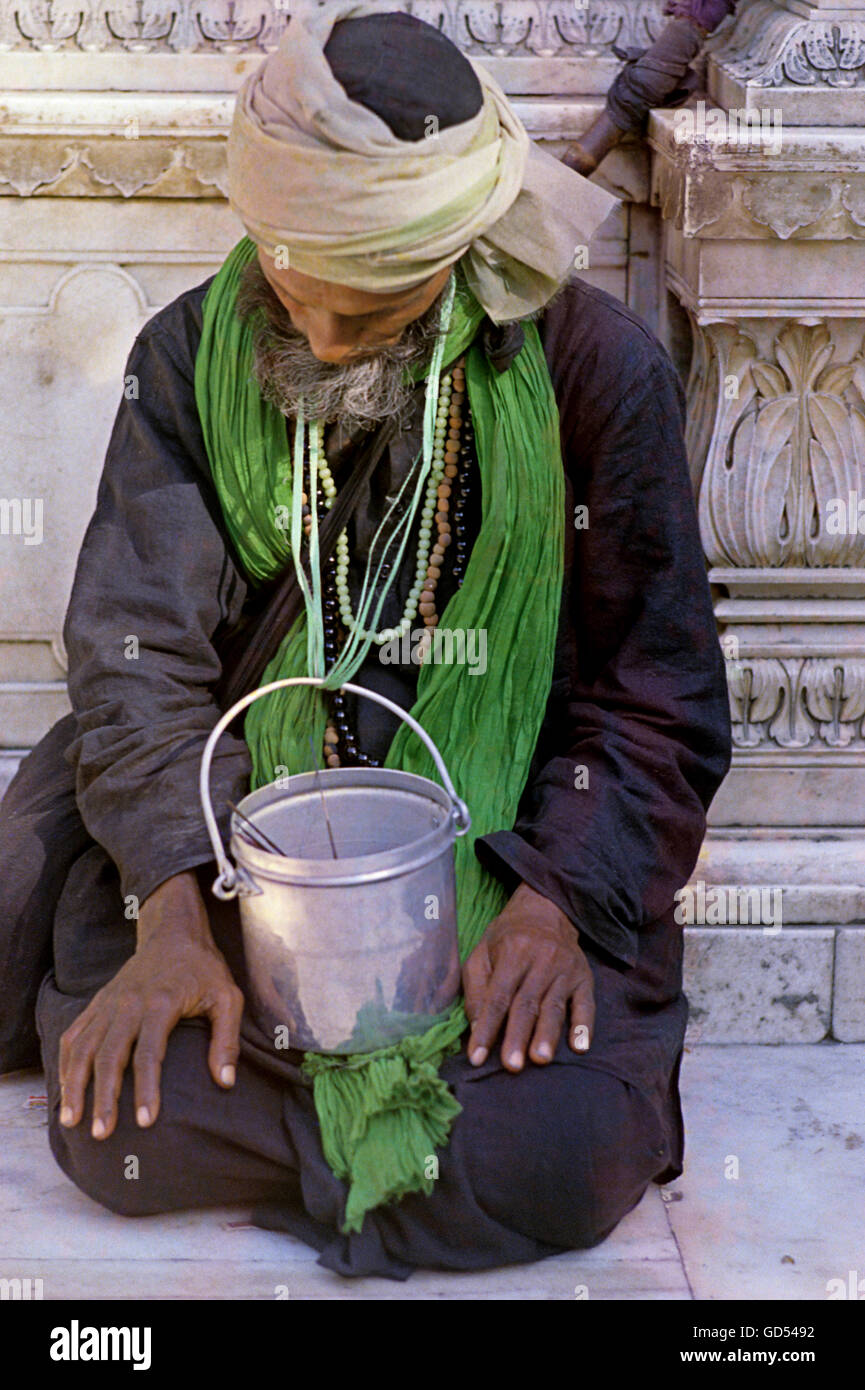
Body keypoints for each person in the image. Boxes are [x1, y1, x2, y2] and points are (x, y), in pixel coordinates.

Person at [0, 5, 731, 1280]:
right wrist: (170, 917)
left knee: (551, 1142)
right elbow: (139, 661)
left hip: (509, 846)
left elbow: (654, 702)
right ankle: (364, 1149)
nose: (322, 341)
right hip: (251, 847)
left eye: (372, 308)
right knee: (109, 1117)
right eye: (293, 289)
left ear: (448, 257)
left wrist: (557, 904)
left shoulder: (597, 376)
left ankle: (333, 1141)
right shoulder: (188, 355)